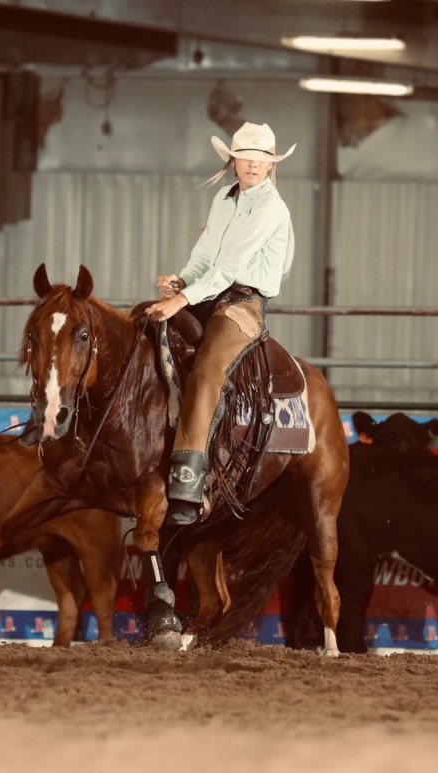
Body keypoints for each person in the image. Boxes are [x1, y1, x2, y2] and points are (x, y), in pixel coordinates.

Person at [143, 121, 297, 526]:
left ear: (270, 166)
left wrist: (180, 299)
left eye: (261, 160)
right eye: (246, 157)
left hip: (243, 306)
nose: (252, 165)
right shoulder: (223, 200)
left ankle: (189, 482)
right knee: (145, 329)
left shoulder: (271, 208)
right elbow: (204, 257)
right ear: (233, 161)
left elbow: (229, 269)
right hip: (211, 295)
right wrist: (181, 280)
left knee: (208, 372)